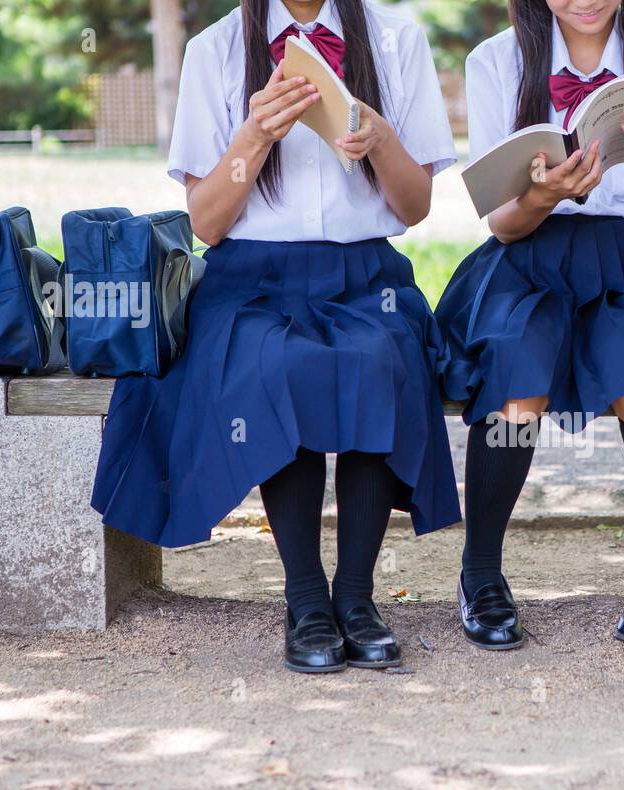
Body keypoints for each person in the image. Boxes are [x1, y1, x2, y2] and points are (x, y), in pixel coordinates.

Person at [92, 0, 460, 673]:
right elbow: (205, 223)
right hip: (250, 278)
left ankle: (355, 596)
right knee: (275, 364)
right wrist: (254, 137)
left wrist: (378, 137)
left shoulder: (397, 39)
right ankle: (306, 599)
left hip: (364, 272)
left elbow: (415, 206)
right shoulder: (216, 50)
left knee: (378, 359)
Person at [435, 0, 624, 650]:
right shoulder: (495, 62)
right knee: (517, 385)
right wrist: (541, 196)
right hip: (527, 256)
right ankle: (480, 571)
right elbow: (502, 222)